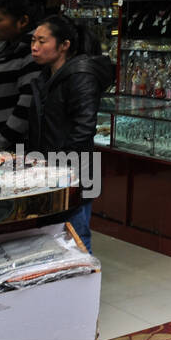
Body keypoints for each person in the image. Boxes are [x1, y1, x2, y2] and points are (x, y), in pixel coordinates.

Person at [28, 15, 115, 251]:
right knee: (52, 236)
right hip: (50, 168)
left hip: (74, 169)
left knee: (75, 238)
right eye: (33, 40)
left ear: (64, 45)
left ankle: (82, 285)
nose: (35, 47)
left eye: (42, 41)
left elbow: (84, 127)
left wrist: (59, 166)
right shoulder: (46, 75)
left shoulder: (81, 75)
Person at [0, 0, 45, 150]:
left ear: (22, 21)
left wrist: (2, 140)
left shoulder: (31, 51)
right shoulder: (8, 47)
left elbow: (27, 103)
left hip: (13, 147)